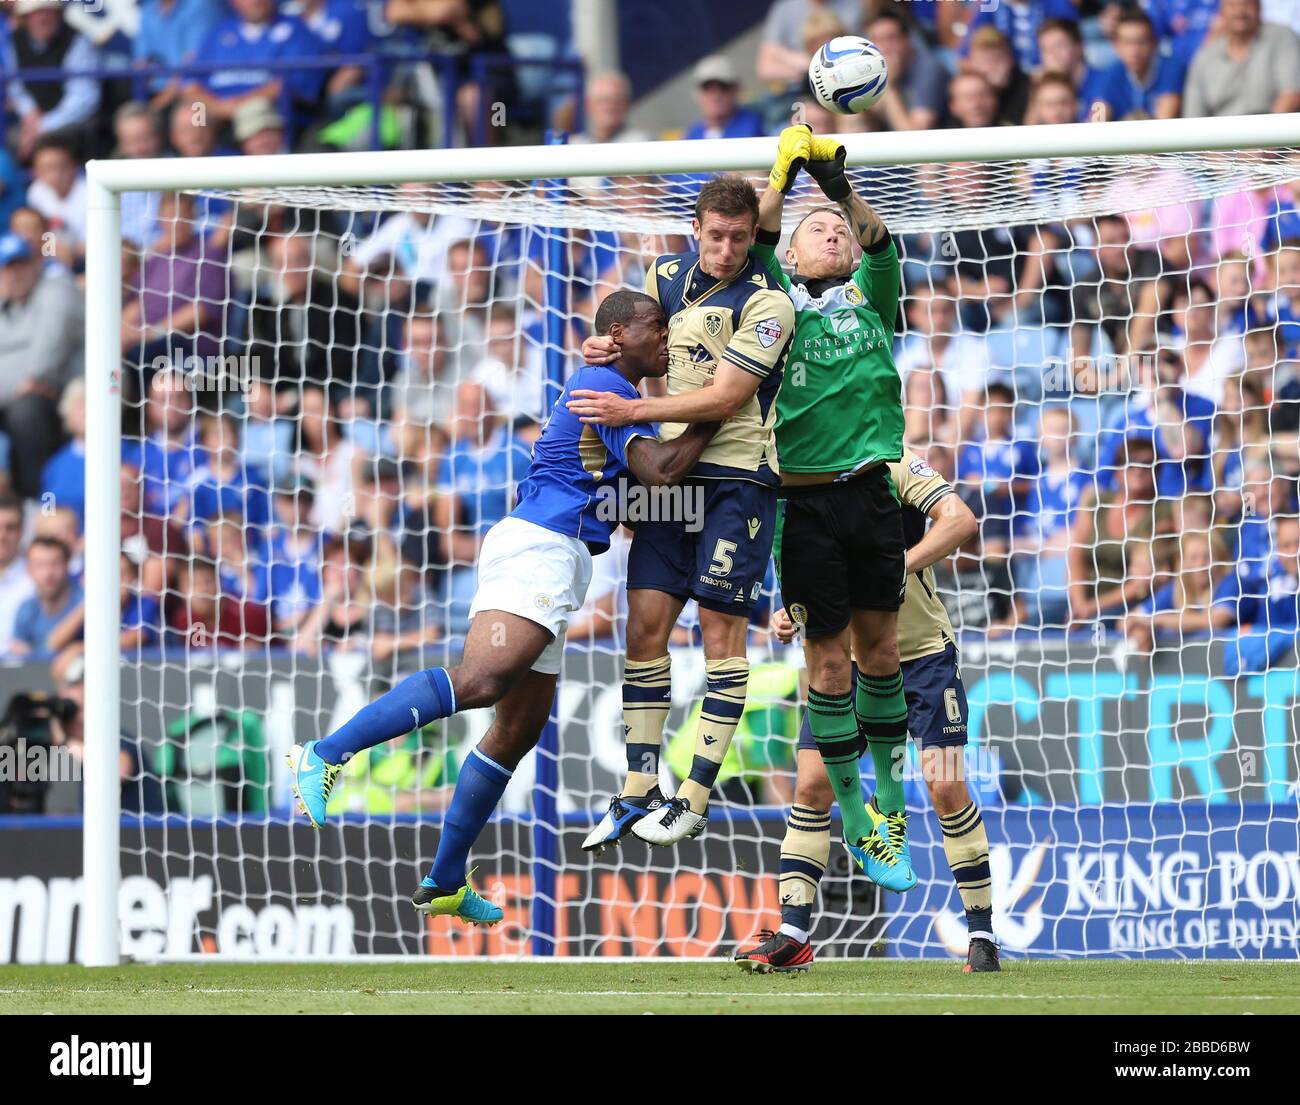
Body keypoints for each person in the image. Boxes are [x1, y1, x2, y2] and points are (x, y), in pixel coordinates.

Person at [287, 290, 721, 926]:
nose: (665, 337)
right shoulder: (603, 384)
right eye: (656, 326)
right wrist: (717, 408)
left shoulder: (621, 393)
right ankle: (326, 753)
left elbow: (635, 492)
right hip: (539, 545)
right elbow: (659, 473)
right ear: (618, 334)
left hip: (563, 556)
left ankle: (444, 879)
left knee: (518, 729)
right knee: (482, 681)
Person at [576, 128, 915, 891]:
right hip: (797, 501)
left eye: (837, 231)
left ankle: (885, 811)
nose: (833, 235)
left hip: (857, 489)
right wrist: (614, 351)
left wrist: (831, 186)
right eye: (816, 230)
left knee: (879, 655)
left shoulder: (861, 296)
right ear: (786, 252)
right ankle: (850, 815)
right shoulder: (760, 293)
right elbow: (738, 245)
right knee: (824, 665)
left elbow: (875, 240)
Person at [570, 176, 795, 849]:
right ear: (695, 229)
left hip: (738, 480)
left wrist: (632, 409)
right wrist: (605, 350)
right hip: (672, 478)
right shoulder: (664, 276)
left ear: (753, 235)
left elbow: (725, 397)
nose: (725, 250)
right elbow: (643, 349)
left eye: (738, 238)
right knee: (643, 629)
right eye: (715, 236)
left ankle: (694, 797)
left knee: (720, 639)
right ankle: (639, 789)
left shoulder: (769, 303)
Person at [736, 449, 996, 973]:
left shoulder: (895, 464)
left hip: (923, 659)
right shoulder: (802, 473)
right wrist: (793, 610)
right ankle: (793, 934)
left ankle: (982, 934)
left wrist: (897, 566)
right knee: (811, 787)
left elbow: (961, 520)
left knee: (946, 785)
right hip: (842, 665)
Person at [1182, 0, 1300, 118]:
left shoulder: (1282, 38)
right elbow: (1194, 114)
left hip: (1274, 126)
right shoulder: (1205, 56)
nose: (1239, 12)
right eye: (1232, 6)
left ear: (1259, 7)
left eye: (1247, 4)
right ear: (1221, 12)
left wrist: (1268, 129)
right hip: (1222, 127)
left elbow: (1292, 94)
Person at [683, 55, 764, 141]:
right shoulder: (693, 134)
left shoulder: (756, 126)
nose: (715, 96)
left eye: (723, 87)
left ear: (736, 89)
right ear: (697, 94)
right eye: (707, 88)